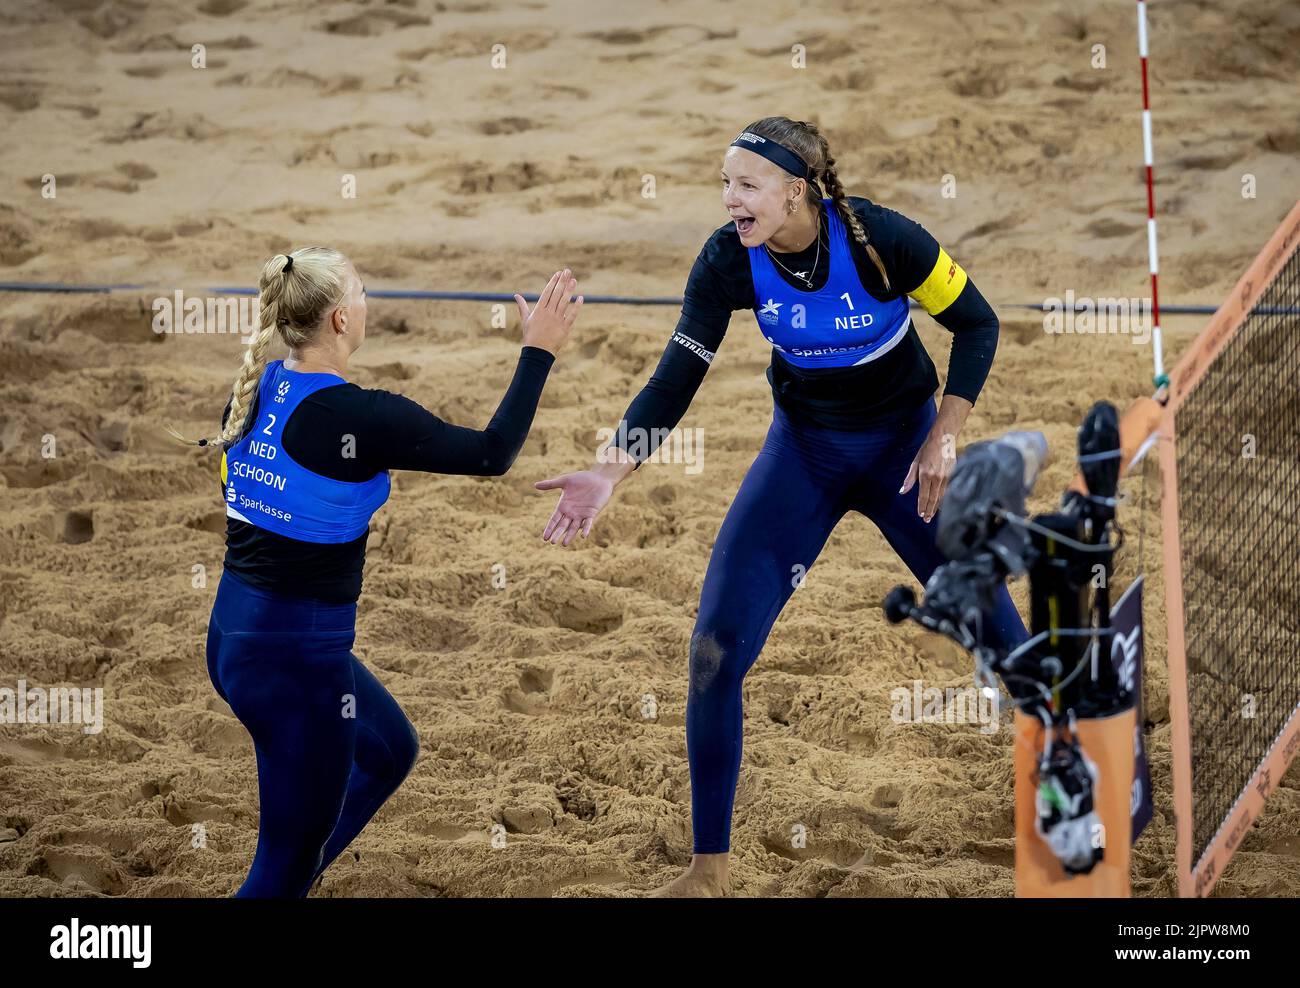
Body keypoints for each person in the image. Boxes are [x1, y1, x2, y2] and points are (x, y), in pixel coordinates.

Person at [533, 117, 1028, 897]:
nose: (731, 200)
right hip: (803, 456)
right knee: (712, 654)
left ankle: (1087, 772)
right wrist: (611, 470)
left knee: (996, 624)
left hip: (905, 453)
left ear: (798, 192)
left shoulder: (883, 242)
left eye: (747, 185)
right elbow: (674, 378)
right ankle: (709, 871)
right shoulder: (729, 261)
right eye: (725, 185)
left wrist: (947, 434)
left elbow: (978, 324)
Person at [178, 248, 582, 896]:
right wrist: (539, 350)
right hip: (293, 664)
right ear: (339, 320)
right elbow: (492, 453)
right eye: (361, 293)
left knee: (391, 751)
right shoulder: (363, 419)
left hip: (233, 639)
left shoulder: (256, 386)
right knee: (277, 866)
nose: (368, 303)